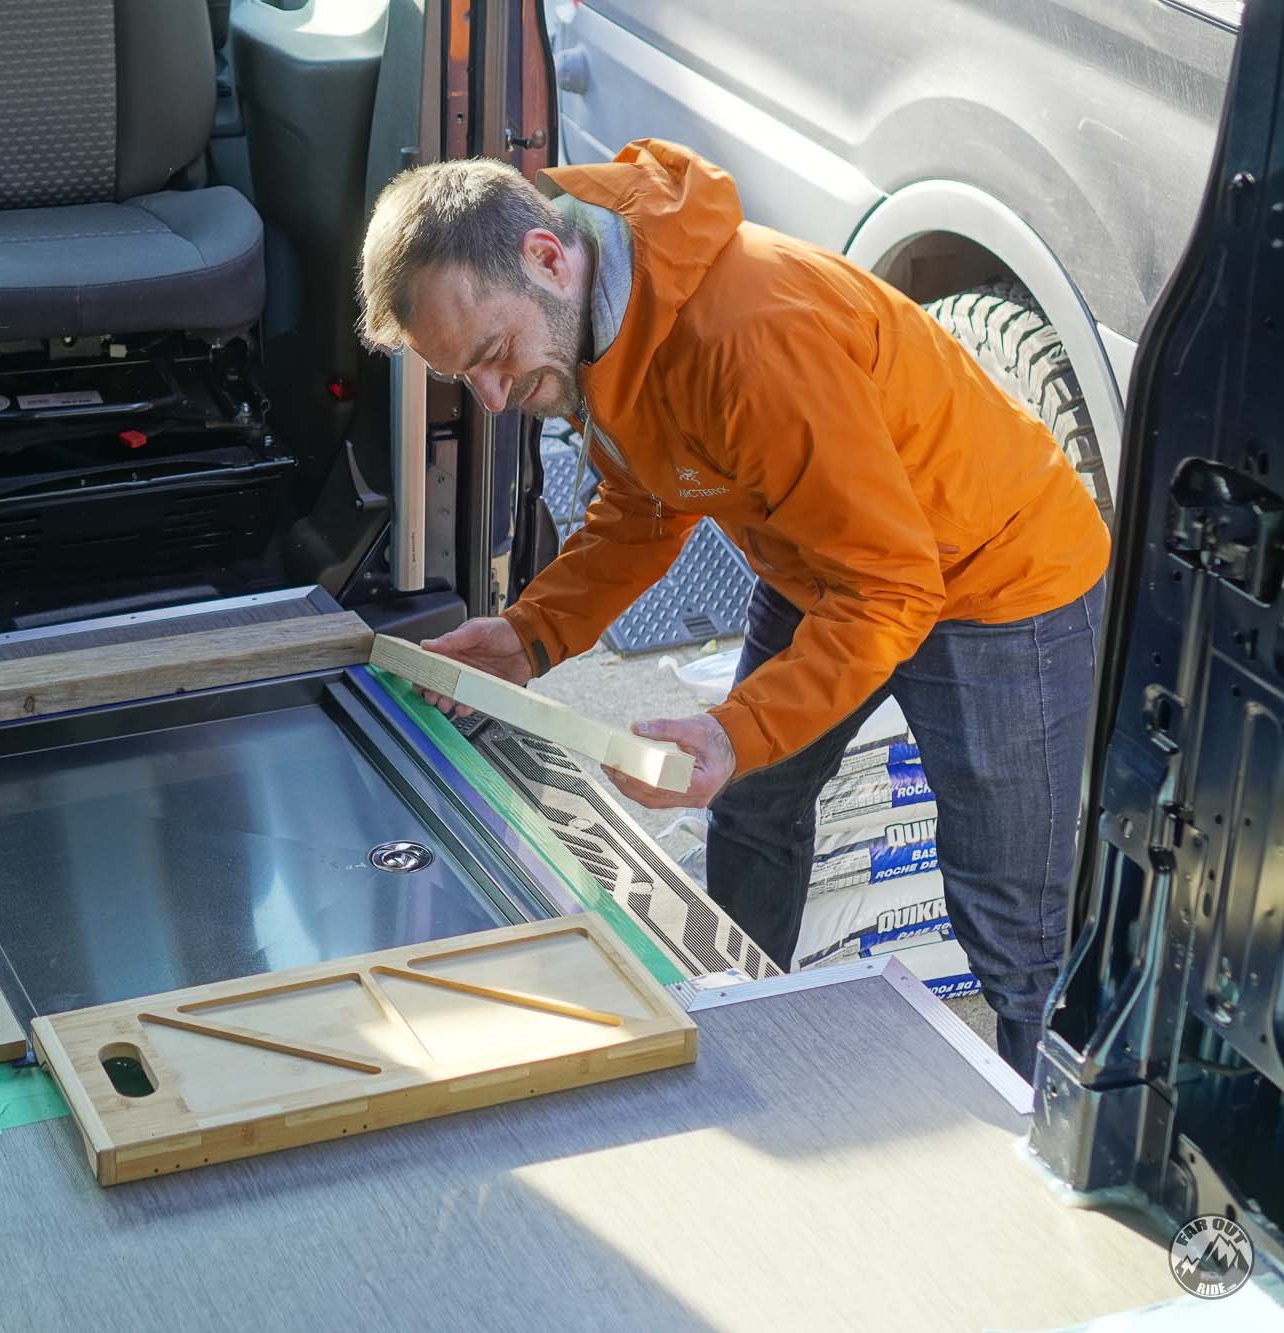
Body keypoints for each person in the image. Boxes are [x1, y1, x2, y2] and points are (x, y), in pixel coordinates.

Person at [355, 140, 1108, 1078]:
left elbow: (894, 586)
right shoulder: (599, 329)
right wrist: (532, 632)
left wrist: (733, 728)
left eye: (494, 357)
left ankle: (1067, 1150)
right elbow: (643, 505)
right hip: (831, 562)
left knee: (1012, 920)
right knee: (753, 804)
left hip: (998, 576)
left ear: (548, 257)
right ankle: (747, 1034)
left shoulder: (746, 337)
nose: (497, 397)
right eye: (468, 378)